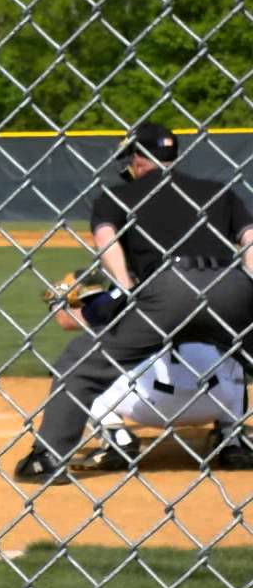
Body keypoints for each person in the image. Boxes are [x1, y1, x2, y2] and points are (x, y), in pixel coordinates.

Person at [16, 123, 253, 484]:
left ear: (140, 158)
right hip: (230, 285)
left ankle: (48, 457)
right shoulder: (218, 191)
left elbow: (106, 238)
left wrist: (125, 288)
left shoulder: (117, 197)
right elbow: (250, 239)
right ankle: (231, 435)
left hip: (166, 288)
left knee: (81, 362)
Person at [44, 271, 253, 471]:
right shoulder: (226, 282)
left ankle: (117, 439)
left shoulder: (137, 282)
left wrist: (61, 301)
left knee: (89, 364)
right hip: (217, 401)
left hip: (147, 406)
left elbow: (75, 319)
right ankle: (231, 438)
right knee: (233, 353)